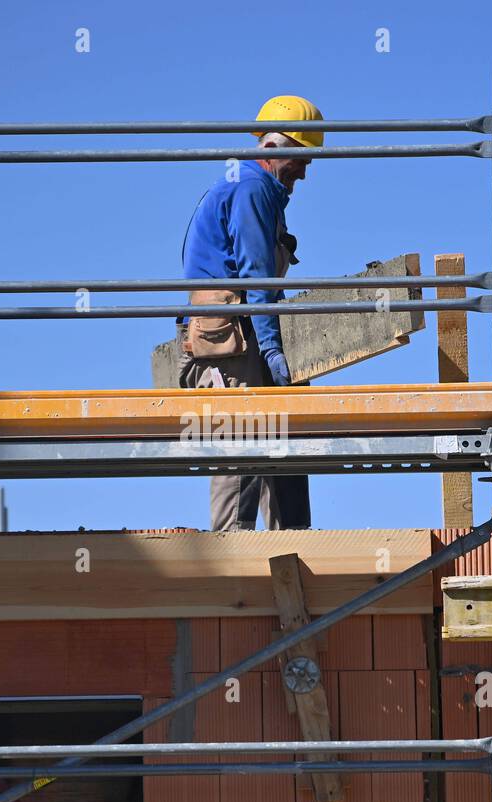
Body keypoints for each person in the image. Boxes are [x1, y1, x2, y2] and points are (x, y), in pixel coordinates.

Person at [174, 95, 320, 531]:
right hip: (228, 345)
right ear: (272, 151)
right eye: (300, 159)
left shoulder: (253, 188)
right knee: (243, 445)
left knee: (282, 442)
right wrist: (274, 350)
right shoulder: (252, 188)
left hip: (243, 335)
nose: (304, 172)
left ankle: (291, 550)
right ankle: (235, 564)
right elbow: (256, 275)